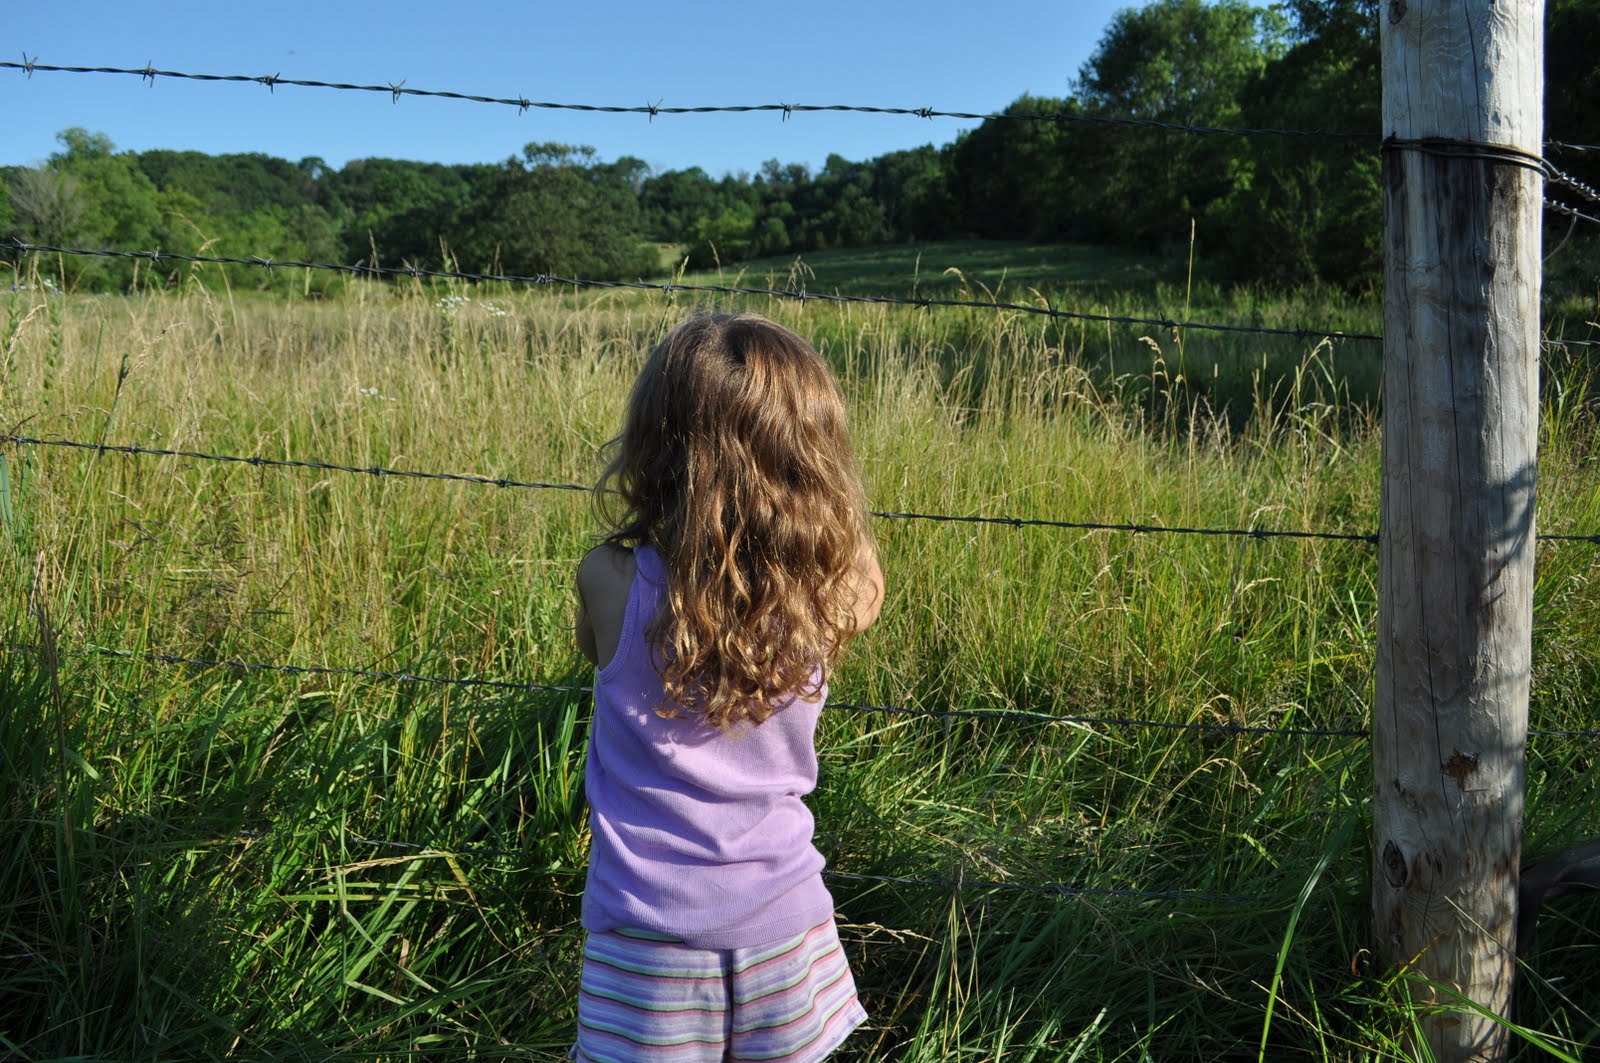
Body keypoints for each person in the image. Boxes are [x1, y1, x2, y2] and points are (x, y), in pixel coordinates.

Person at [571, 312, 884, 1062]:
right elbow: (865, 568)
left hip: (647, 940)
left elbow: (590, 648)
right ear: (812, 458)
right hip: (785, 925)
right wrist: (819, 492)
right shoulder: (834, 592)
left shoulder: (609, 579)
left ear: (656, 443)